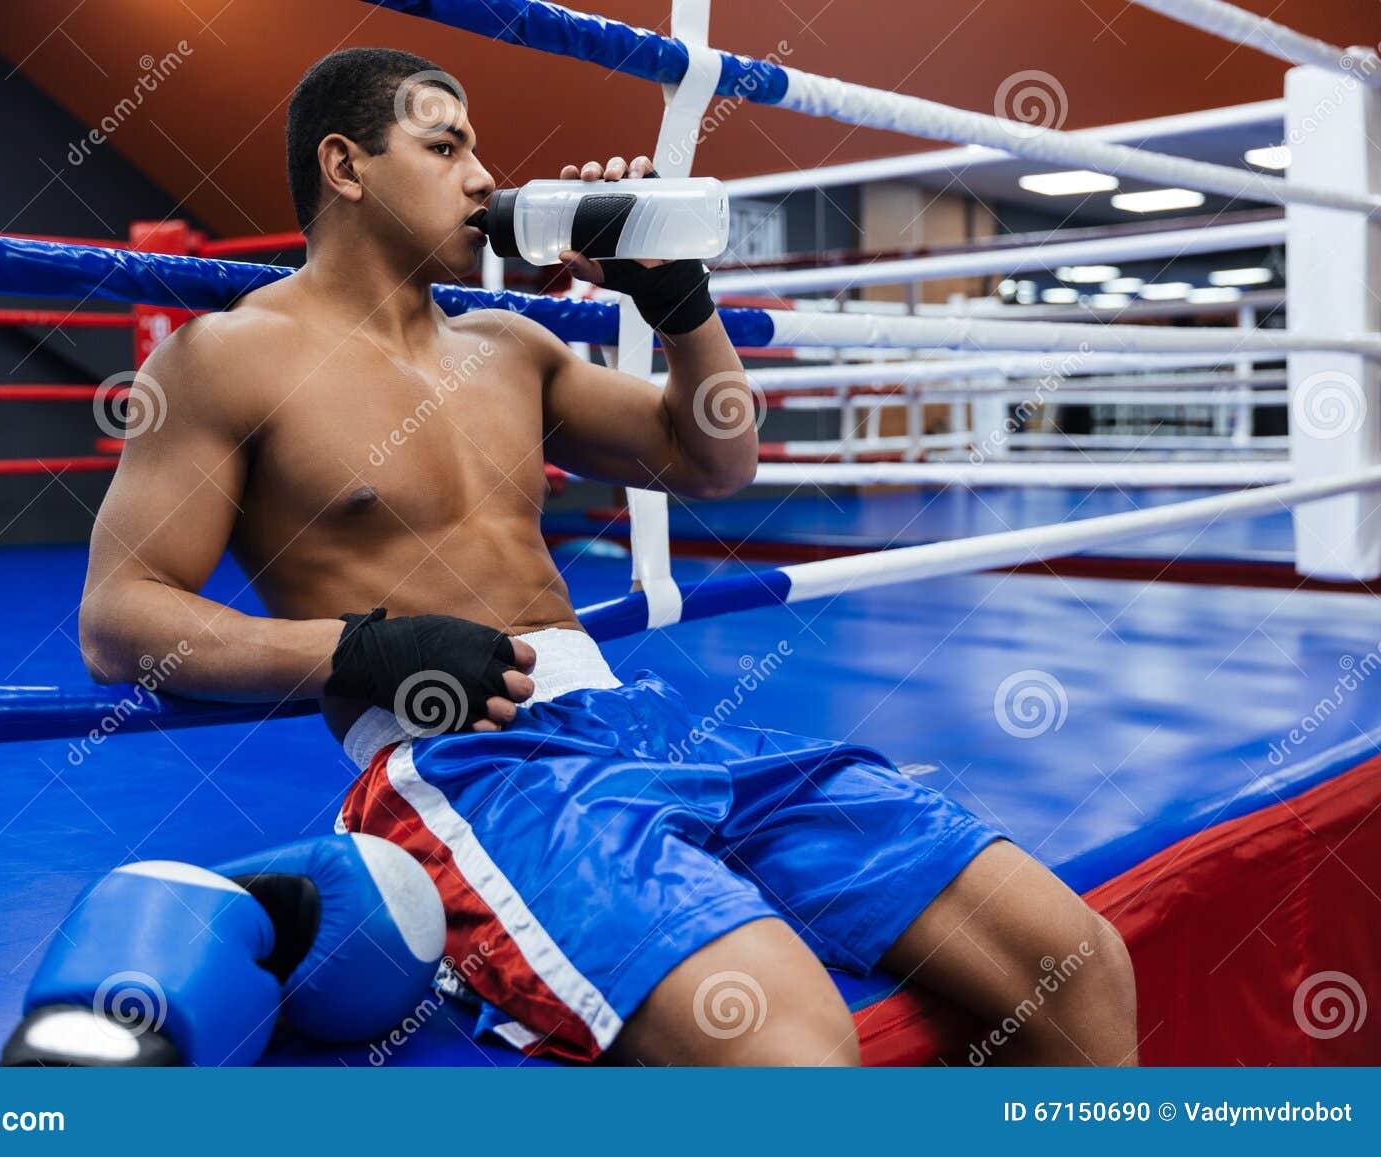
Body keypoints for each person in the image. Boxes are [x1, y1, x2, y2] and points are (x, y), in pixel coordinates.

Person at [79, 46, 1137, 1066]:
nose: (485, 176)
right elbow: (119, 618)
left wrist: (677, 302)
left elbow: (712, 458)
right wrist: (360, 649)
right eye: (444, 148)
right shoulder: (225, 356)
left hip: (651, 725)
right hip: (477, 763)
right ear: (344, 166)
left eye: (477, 149)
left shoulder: (511, 347)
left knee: (1077, 958)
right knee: (786, 1046)